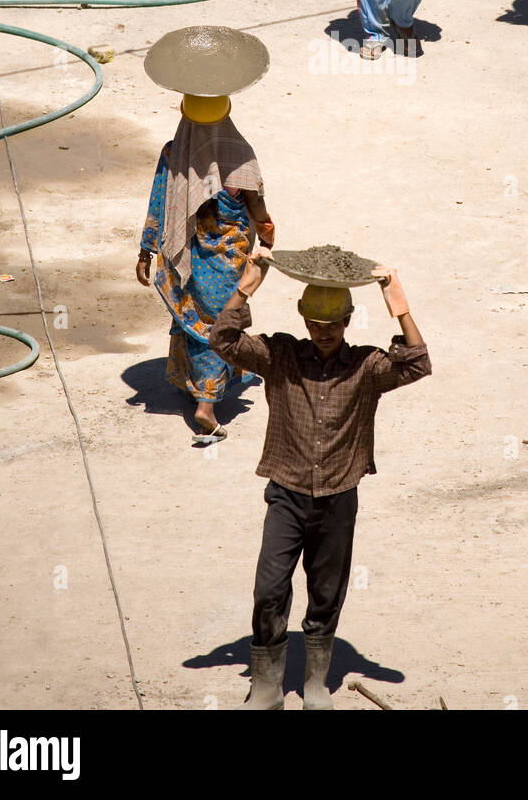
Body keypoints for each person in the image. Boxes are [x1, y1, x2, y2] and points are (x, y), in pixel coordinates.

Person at [208, 257, 431, 710]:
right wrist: (250, 283)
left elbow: (417, 364)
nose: (323, 331)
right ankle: (267, 685)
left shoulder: (367, 367)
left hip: (338, 498)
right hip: (286, 493)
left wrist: (397, 300)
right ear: (302, 318)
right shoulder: (281, 355)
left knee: (326, 594)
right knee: (269, 589)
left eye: (332, 323)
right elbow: (223, 339)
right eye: (315, 322)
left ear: (348, 321)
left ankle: (315, 683)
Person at [137, 92, 275, 439]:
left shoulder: (174, 154)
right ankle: (206, 407)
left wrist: (146, 251)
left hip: (188, 258)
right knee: (220, 326)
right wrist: (268, 235)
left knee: (191, 321)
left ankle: (189, 384)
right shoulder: (240, 158)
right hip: (226, 265)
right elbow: (257, 208)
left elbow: (158, 202)